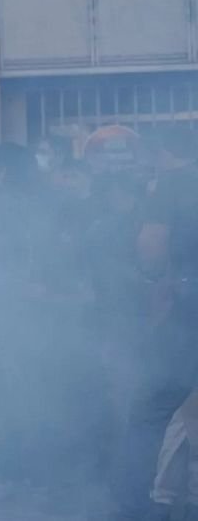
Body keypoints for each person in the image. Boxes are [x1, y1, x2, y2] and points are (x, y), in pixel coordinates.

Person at [111, 127, 198, 521]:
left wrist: (154, 281)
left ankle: (132, 507)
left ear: (163, 153)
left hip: (188, 310)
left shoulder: (174, 184)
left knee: (150, 410)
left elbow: (151, 244)